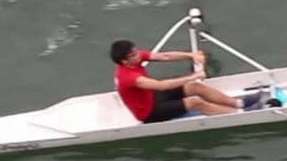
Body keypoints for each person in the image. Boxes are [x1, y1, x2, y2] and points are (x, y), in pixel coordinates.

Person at [110, 41, 262, 123]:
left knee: (195, 87)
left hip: (152, 96)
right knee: (194, 102)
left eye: (136, 51)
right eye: (134, 54)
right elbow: (163, 85)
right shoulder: (129, 77)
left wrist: (191, 55)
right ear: (124, 61)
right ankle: (240, 114)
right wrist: (193, 75)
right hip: (149, 112)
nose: (139, 54)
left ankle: (239, 103)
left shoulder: (134, 59)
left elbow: (165, 56)